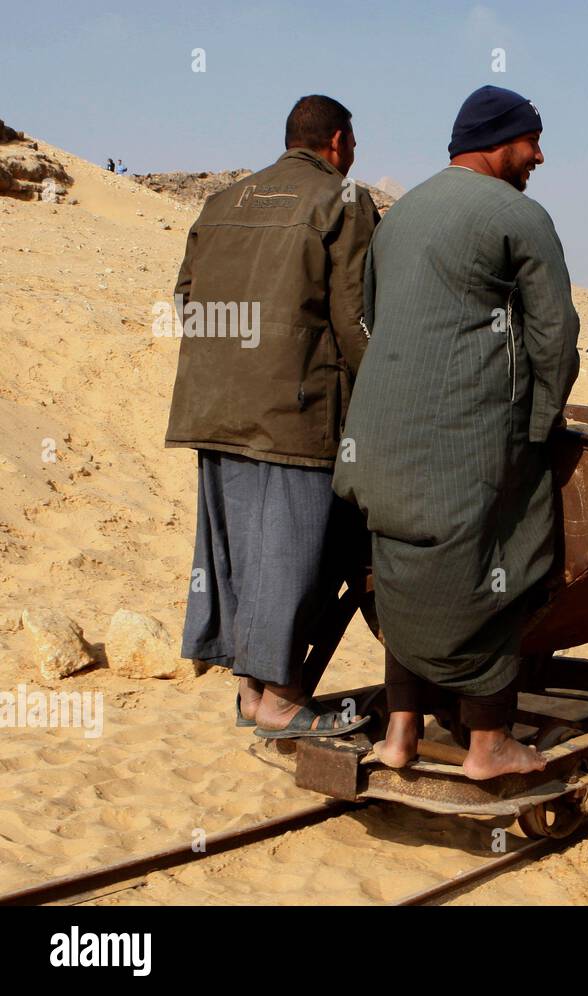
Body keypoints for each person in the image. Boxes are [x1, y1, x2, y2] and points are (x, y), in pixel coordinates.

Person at [334, 85, 580, 777]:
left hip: (379, 437)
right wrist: (540, 425)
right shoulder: (518, 214)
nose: (539, 154)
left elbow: (376, 318)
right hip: (468, 434)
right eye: (532, 139)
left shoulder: (400, 214)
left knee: (404, 572)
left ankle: (402, 736)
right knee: (506, 560)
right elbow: (554, 337)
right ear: (501, 140)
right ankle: (488, 744)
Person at [167, 94, 379, 739]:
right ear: (338, 142)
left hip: (216, 407)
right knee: (297, 553)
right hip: (298, 409)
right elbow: (354, 317)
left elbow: (186, 298)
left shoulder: (223, 202)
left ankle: (252, 693)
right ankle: (283, 698)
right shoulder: (343, 201)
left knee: (238, 553)